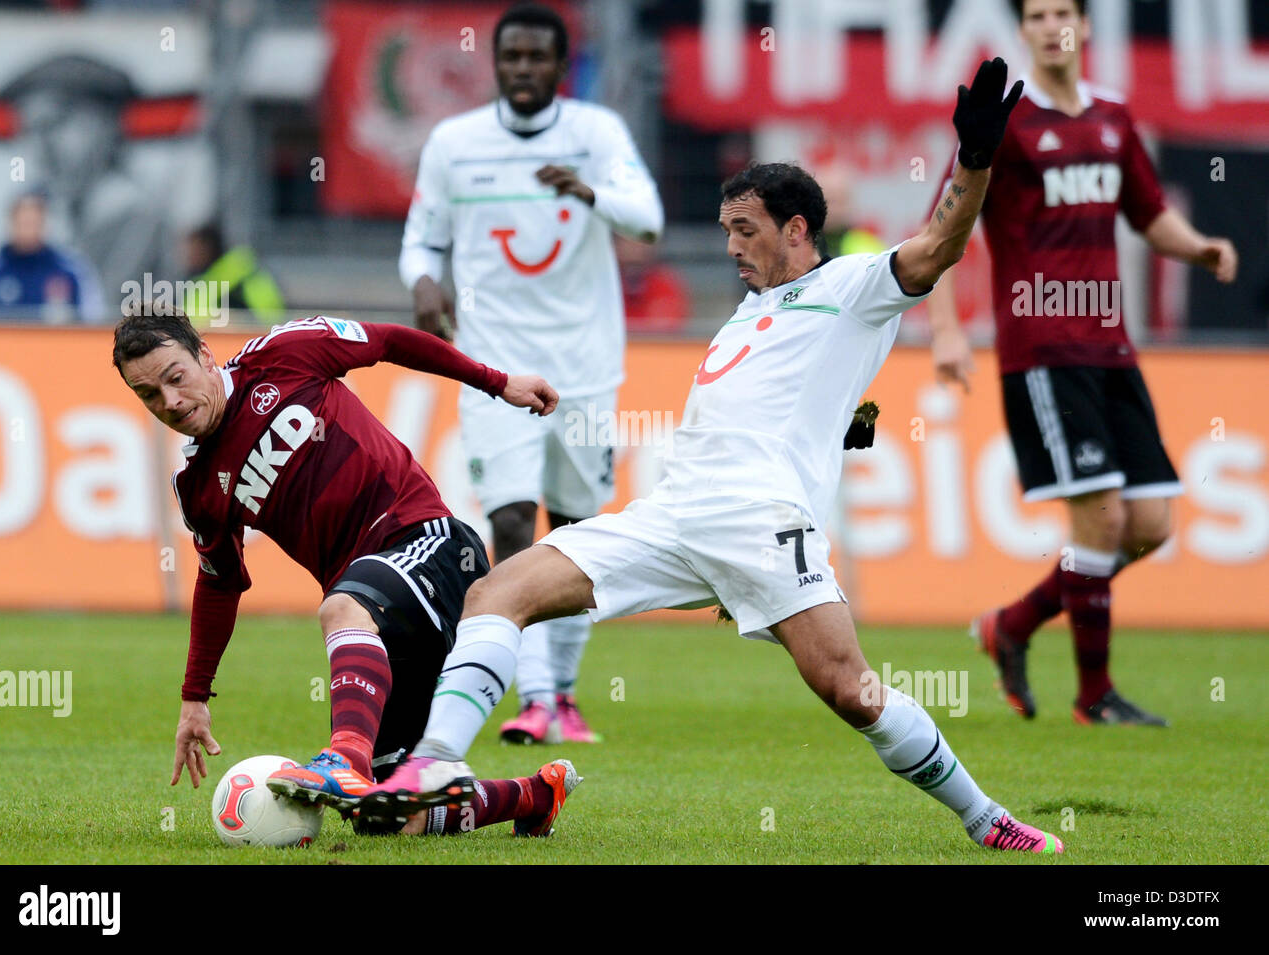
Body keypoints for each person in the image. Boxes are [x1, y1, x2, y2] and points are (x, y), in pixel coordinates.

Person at [362, 61, 1064, 854]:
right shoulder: (746, 312)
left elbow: (939, 246)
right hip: (673, 512)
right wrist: (838, 422)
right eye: (727, 229)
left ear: (797, 229)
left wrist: (974, 162)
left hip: (761, 522)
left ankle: (985, 818)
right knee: (499, 589)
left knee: (851, 690)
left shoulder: (853, 284)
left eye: (746, 230)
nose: (730, 246)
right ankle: (431, 765)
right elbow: (776, 400)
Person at [112, 306, 579, 837]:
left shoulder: (284, 353)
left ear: (203, 356)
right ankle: (534, 796)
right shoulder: (199, 487)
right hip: (378, 620)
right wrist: (194, 698)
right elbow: (219, 584)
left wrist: (498, 383)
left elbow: (393, 340)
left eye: (176, 378)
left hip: (427, 542)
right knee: (384, 816)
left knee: (339, 607)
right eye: (148, 395)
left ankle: (345, 757)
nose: (170, 402)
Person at [928, 0, 1238, 726]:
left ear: (1086, 26)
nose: (1051, 24)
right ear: (1024, 31)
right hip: (1042, 348)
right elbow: (942, 229)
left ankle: (1012, 624)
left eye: (1064, 10)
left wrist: (1198, 246)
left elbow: (1149, 212)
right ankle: (1094, 695)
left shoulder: (1114, 116)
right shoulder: (1004, 122)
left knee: (1151, 524)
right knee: (1100, 515)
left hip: (1111, 346)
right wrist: (945, 331)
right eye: (1036, 14)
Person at [400, 3, 664, 746]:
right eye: (509, 57)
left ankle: (563, 694)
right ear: (494, 62)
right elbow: (420, 242)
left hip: (584, 364)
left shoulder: (595, 135)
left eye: (535, 58)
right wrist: (424, 284)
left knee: (578, 530)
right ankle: (538, 696)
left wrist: (590, 194)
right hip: (495, 369)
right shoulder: (455, 143)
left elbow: (647, 218)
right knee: (512, 520)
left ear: (559, 64)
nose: (521, 70)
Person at [0, 191, 105, 323]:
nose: (28, 229)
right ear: (11, 223)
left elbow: (93, 319)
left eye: (33, 223)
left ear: (44, 224)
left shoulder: (70, 271)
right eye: (23, 223)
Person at [179, 222, 285, 325]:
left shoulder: (241, 277)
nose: (187, 254)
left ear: (207, 247)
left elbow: (267, 317)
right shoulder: (200, 278)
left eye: (193, 247)